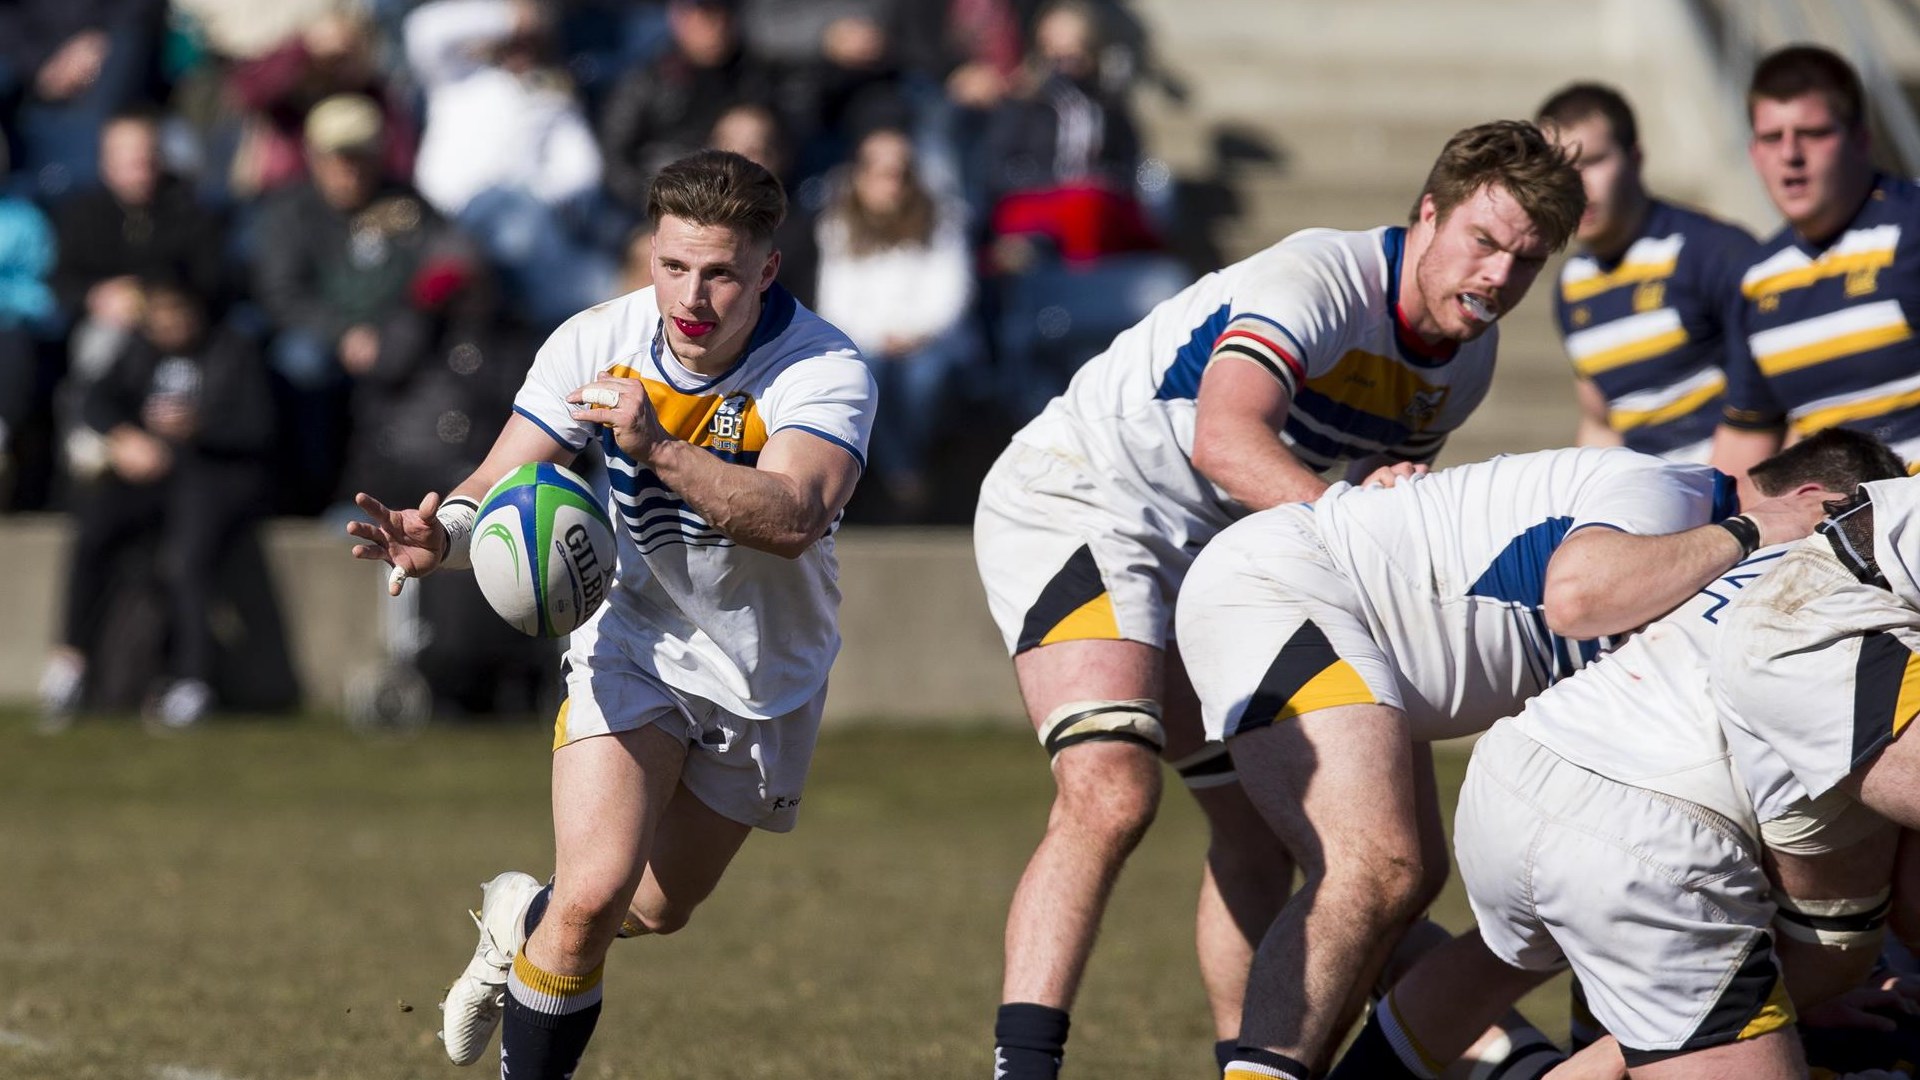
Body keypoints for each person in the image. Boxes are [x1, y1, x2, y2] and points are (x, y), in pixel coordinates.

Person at [971, 120, 1584, 1079]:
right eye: (1484, 240)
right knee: (1111, 790)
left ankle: (1255, 1062)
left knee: (1299, 843)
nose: (1500, 275)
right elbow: (1227, 441)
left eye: (1527, 260)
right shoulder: (1320, 281)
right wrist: (1360, 528)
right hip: (1089, 503)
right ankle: (1024, 1069)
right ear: (1428, 213)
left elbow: (1382, 523)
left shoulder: (1467, 360)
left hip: (1230, 561)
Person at [345, 150, 874, 1077]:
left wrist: (657, 447)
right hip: (633, 641)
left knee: (657, 907)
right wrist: (449, 536)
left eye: (719, 272)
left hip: (766, 671)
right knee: (591, 899)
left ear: (767, 270)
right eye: (673, 267)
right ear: (650, 254)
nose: (692, 296)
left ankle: (519, 918)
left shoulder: (823, 368)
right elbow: (497, 474)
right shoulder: (597, 338)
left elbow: (793, 517)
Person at [1177, 434, 1851, 1080]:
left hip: (1356, 632)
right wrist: (1755, 530)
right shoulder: (1672, 491)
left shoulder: (1705, 569)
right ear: (1809, 499)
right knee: (1373, 869)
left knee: (1461, 893)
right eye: (1844, 531)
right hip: (1278, 585)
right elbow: (1578, 596)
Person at [1713, 45, 1920, 483]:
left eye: (1813, 133)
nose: (1790, 154)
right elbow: (1746, 440)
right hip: (1826, 529)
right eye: (1772, 138)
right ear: (1753, 152)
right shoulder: (1756, 279)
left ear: (1862, 140)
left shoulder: (1911, 229)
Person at [1536, 83, 1759, 462]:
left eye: (1591, 161)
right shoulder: (1571, 287)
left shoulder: (1712, 251)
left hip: (1737, 485)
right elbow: (1601, 424)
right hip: (1650, 495)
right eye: (1558, 170)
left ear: (1635, 158)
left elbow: (1783, 392)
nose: (1574, 185)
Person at [814, 126, 978, 517]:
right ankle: (905, 473)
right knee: (866, 377)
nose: (894, 183)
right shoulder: (838, 225)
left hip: (931, 340)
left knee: (925, 379)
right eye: (883, 172)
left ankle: (899, 471)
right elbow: (835, 301)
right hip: (868, 340)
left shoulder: (942, 219)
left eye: (902, 172)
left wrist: (913, 334)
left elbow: (952, 294)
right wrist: (878, 336)